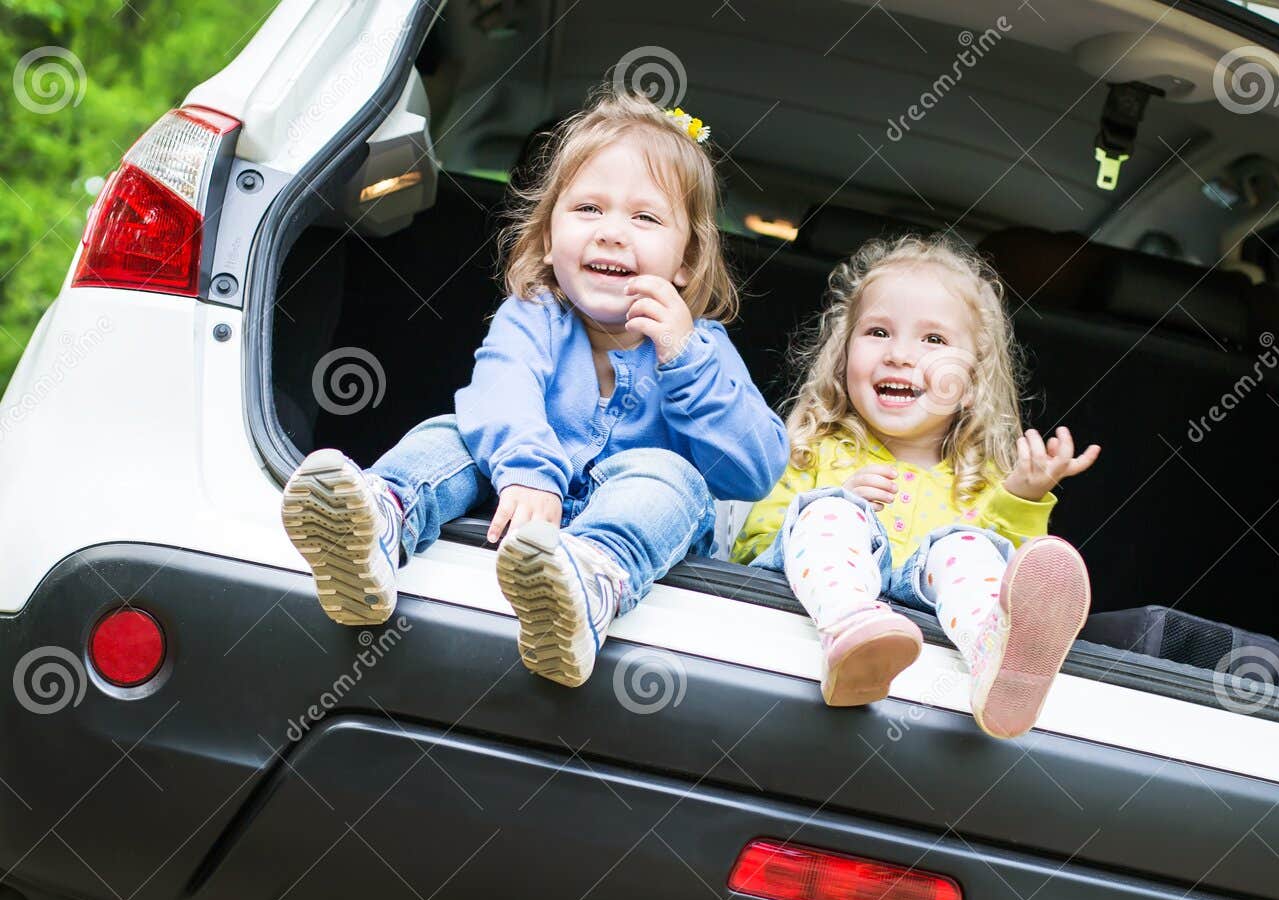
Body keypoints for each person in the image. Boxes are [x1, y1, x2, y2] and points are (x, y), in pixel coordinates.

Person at [281, 92, 786, 686]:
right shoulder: (535, 314)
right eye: (588, 209)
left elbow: (754, 469)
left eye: (645, 218)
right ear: (549, 237)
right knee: (457, 432)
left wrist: (685, 359)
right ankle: (381, 522)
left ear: (686, 259)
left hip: (636, 532)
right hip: (520, 506)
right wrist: (529, 472)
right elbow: (501, 391)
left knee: (670, 474)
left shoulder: (700, 347)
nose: (612, 234)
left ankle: (590, 584)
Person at [733, 235, 1096, 738]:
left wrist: (1022, 496)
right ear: (843, 357)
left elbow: (1004, 569)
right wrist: (834, 501)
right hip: (817, 610)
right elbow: (751, 547)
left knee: (968, 547)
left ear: (971, 382)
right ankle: (852, 629)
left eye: (933, 341)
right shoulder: (808, 449)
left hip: (932, 616)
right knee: (829, 512)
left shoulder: (981, 482)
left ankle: (997, 660)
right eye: (878, 332)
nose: (900, 355)